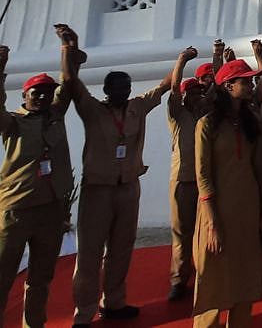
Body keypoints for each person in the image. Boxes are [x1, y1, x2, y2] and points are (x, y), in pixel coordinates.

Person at [60, 25, 182, 326]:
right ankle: (84, 313)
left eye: (127, 87)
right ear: (107, 90)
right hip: (98, 188)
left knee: (121, 249)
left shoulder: (137, 107)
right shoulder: (92, 110)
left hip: (128, 186)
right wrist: (68, 48)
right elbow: (71, 83)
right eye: (118, 88)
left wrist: (182, 59)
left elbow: (165, 86)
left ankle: (114, 301)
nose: (124, 92)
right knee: (90, 253)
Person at [0, 40, 76, 328]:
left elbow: (68, 86)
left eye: (47, 92)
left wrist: (67, 49)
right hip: (15, 210)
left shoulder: (55, 117)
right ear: (24, 95)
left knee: (40, 279)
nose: (43, 97)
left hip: (51, 209)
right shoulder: (12, 123)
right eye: (36, 92)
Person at [192, 57, 262, 327]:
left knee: (246, 277)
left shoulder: (252, 123)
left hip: (247, 210)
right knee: (213, 277)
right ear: (228, 86)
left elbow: (261, 172)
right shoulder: (206, 125)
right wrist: (212, 222)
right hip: (217, 213)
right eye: (245, 81)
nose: (251, 85)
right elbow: (203, 175)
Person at [169, 53, 209, 301]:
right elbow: (174, 87)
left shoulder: (205, 115)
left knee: (205, 231)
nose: (195, 96)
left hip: (204, 180)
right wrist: (182, 61)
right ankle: (179, 279)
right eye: (191, 93)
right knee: (182, 233)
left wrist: (218, 56)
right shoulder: (177, 114)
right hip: (183, 180)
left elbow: (219, 89)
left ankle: (205, 275)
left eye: (198, 92)